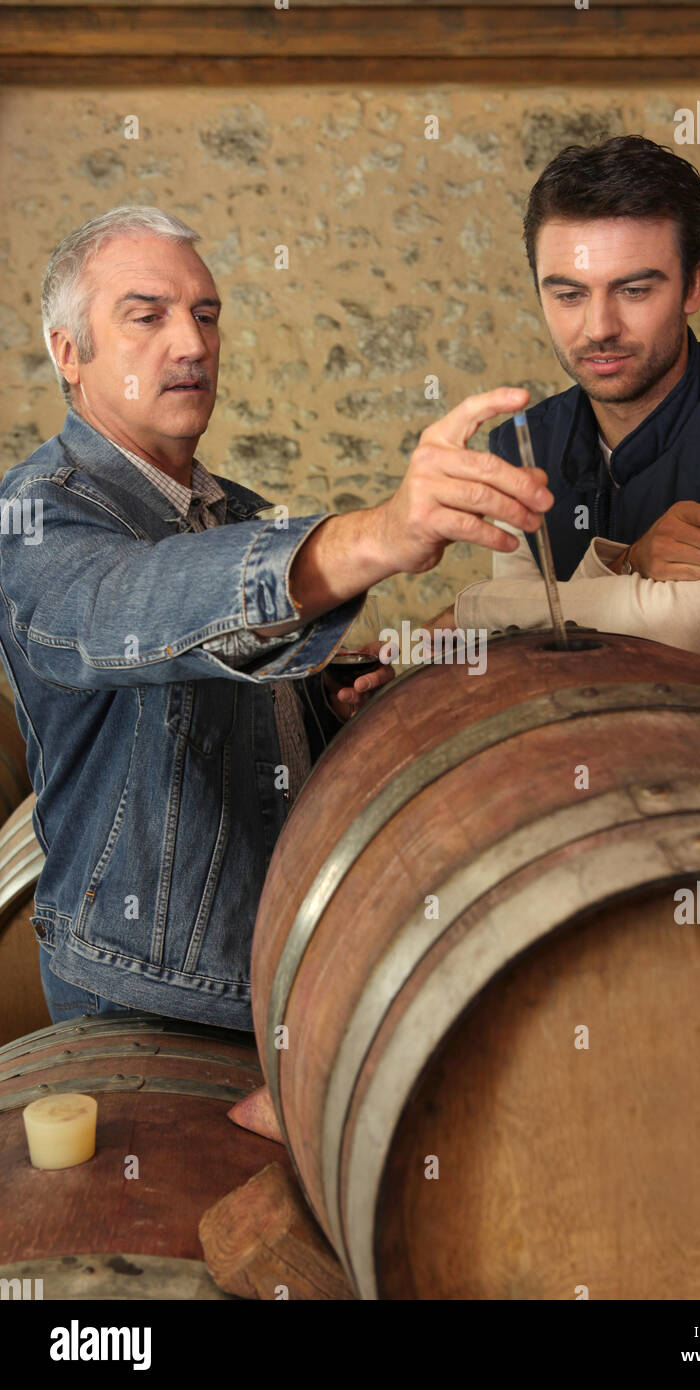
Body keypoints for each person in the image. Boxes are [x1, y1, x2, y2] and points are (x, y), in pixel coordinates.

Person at [0, 205, 552, 1030]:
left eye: (206, 314)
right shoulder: (36, 512)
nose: (191, 343)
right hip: (148, 992)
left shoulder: (233, 511)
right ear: (69, 354)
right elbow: (130, 611)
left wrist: (324, 704)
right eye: (147, 316)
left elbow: (212, 696)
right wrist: (385, 533)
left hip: (273, 968)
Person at [446, 136, 700, 751]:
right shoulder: (521, 444)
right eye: (567, 294)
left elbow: (683, 626)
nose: (599, 328)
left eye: (635, 290)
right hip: (591, 787)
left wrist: (469, 612)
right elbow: (527, 644)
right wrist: (632, 561)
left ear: (692, 286)